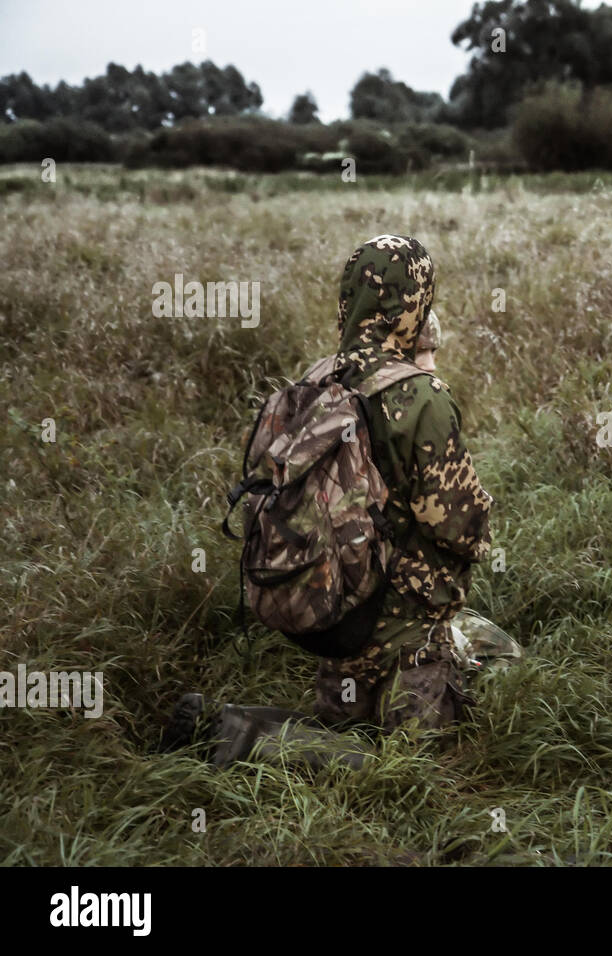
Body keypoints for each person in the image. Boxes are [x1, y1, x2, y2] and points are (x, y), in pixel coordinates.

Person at [162, 234, 517, 769]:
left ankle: (231, 722)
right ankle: (235, 735)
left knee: (344, 725)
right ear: (416, 304)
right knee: (416, 763)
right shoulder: (422, 397)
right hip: (404, 630)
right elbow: (458, 527)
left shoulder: (315, 381)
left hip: (333, 613)